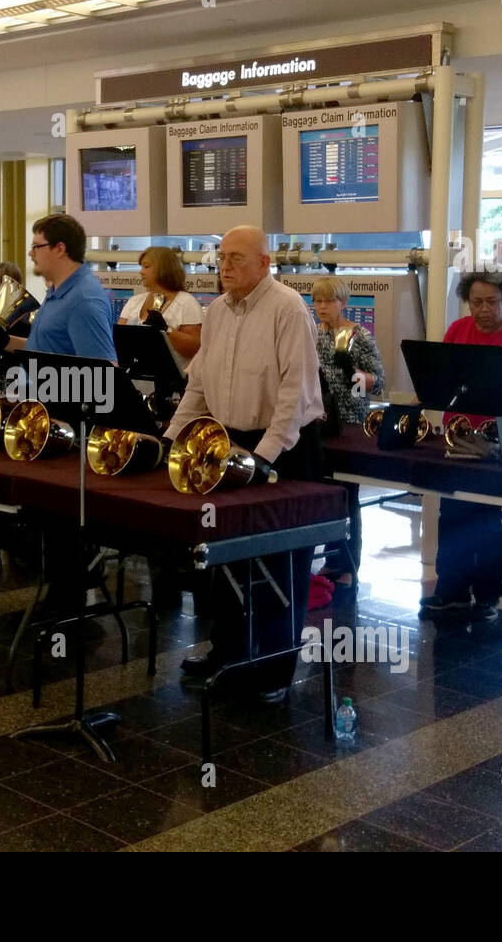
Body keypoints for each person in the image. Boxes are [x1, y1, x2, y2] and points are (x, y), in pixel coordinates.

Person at [165, 225, 325, 704]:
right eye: (220, 258)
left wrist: (262, 460)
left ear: (264, 262)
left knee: (281, 563)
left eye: (237, 257)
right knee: (227, 556)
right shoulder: (215, 313)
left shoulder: (287, 308)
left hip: (286, 447)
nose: (225, 266)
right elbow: (198, 387)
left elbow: (294, 395)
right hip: (232, 442)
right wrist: (169, 440)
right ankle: (230, 653)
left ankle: (273, 672)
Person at [421, 270, 502, 622]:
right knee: (456, 516)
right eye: (476, 302)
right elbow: (443, 379)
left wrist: (496, 424)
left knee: (499, 522)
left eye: (491, 302)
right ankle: (452, 592)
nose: (484, 309)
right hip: (462, 437)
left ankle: (489, 596)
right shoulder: (458, 331)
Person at [311, 276, 385, 599]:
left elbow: (377, 382)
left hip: (351, 422)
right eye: (317, 301)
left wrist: (352, 375)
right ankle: (332, 559)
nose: (323, 307)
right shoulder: (313, 334)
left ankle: (346, 565)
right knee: (328, 493)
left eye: (329, 301)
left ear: (343, 303)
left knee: (347, 494)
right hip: (321, 420)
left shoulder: (359, 336)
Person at [10, 213, 115, 362]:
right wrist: (4, 342)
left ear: (59, 249)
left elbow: (103, 373)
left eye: (36, 247)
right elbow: (46, 349)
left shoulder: (84, 301)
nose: (31, 253)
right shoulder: (58, 291)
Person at [117, 246, 203, 372]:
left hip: (171, 384)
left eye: (146, 267)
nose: (141, 272)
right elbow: (120, 341)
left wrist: (166, 330)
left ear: (164, 269)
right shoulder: (134, 302)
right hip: (135, 381)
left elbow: (195, 348)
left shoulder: (186, 303)